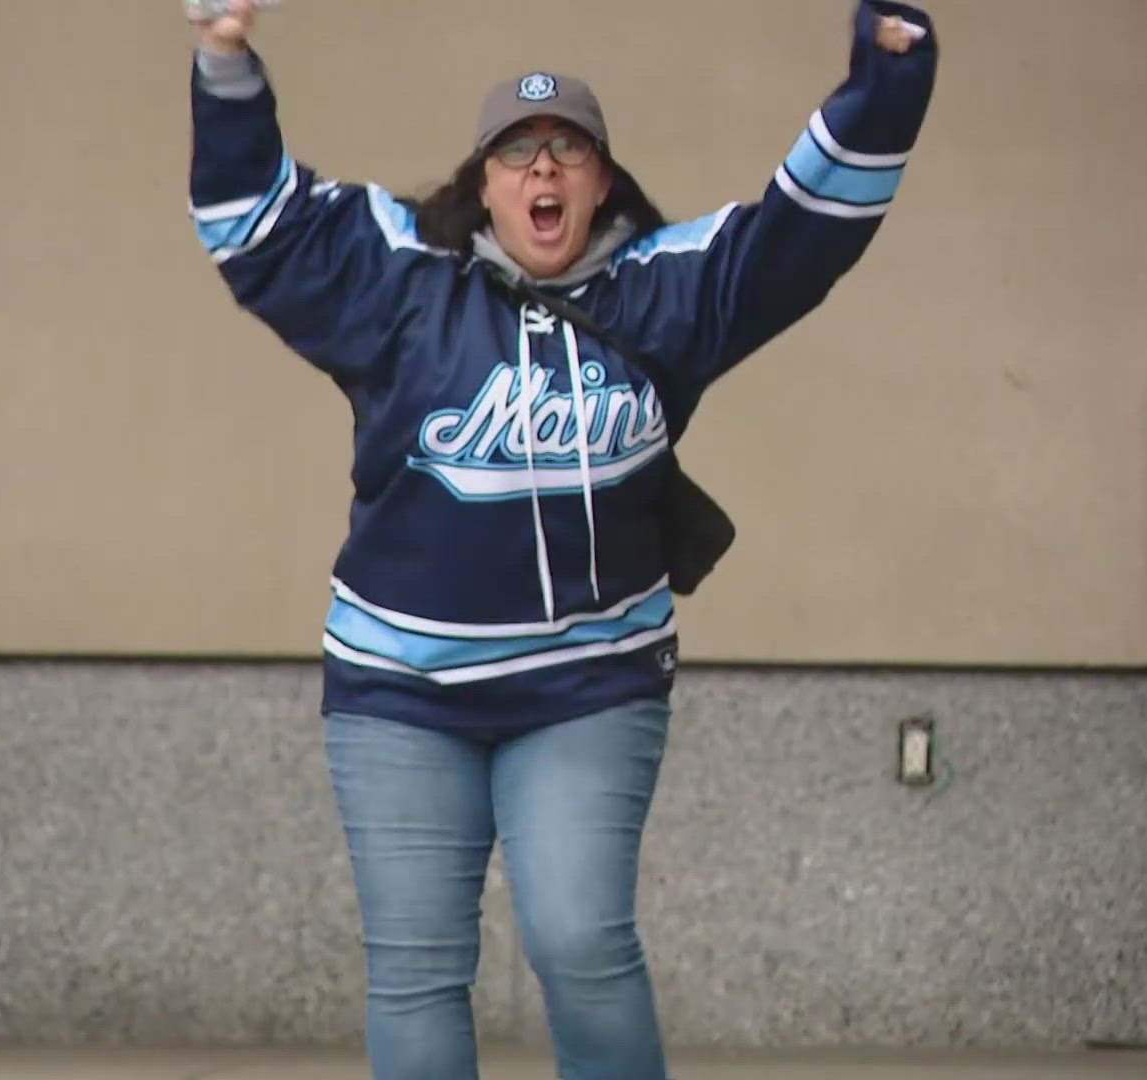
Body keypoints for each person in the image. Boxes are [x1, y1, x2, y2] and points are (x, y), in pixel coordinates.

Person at [186, 2, 937, 1078]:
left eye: (569, 151)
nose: (545, 168)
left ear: (600, 183)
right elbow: (254, 224)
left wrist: (886, 81)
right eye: (518, 152)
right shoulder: (404, 286)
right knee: (416, 969)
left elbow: (800, 233)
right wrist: (223, 59)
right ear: (484, 183)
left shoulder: (667, 292)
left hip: (588, 687)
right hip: (401, 688)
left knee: (581, 941)